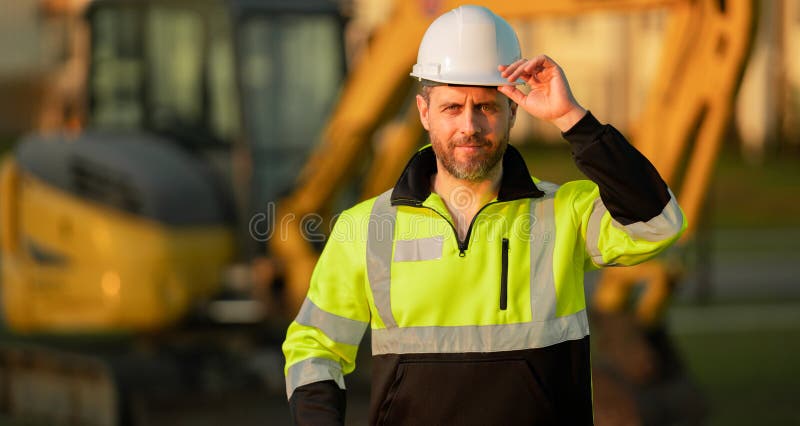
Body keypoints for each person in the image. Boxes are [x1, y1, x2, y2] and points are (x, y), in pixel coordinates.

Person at [282, 5, 685, 425]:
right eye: (452, 108)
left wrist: (572, 119)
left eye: (487, 108)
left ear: (513, 110)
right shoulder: (364, 228)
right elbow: (314, 349)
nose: (469, 126)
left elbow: (659, 224)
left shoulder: (566, 213)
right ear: (424, 113)